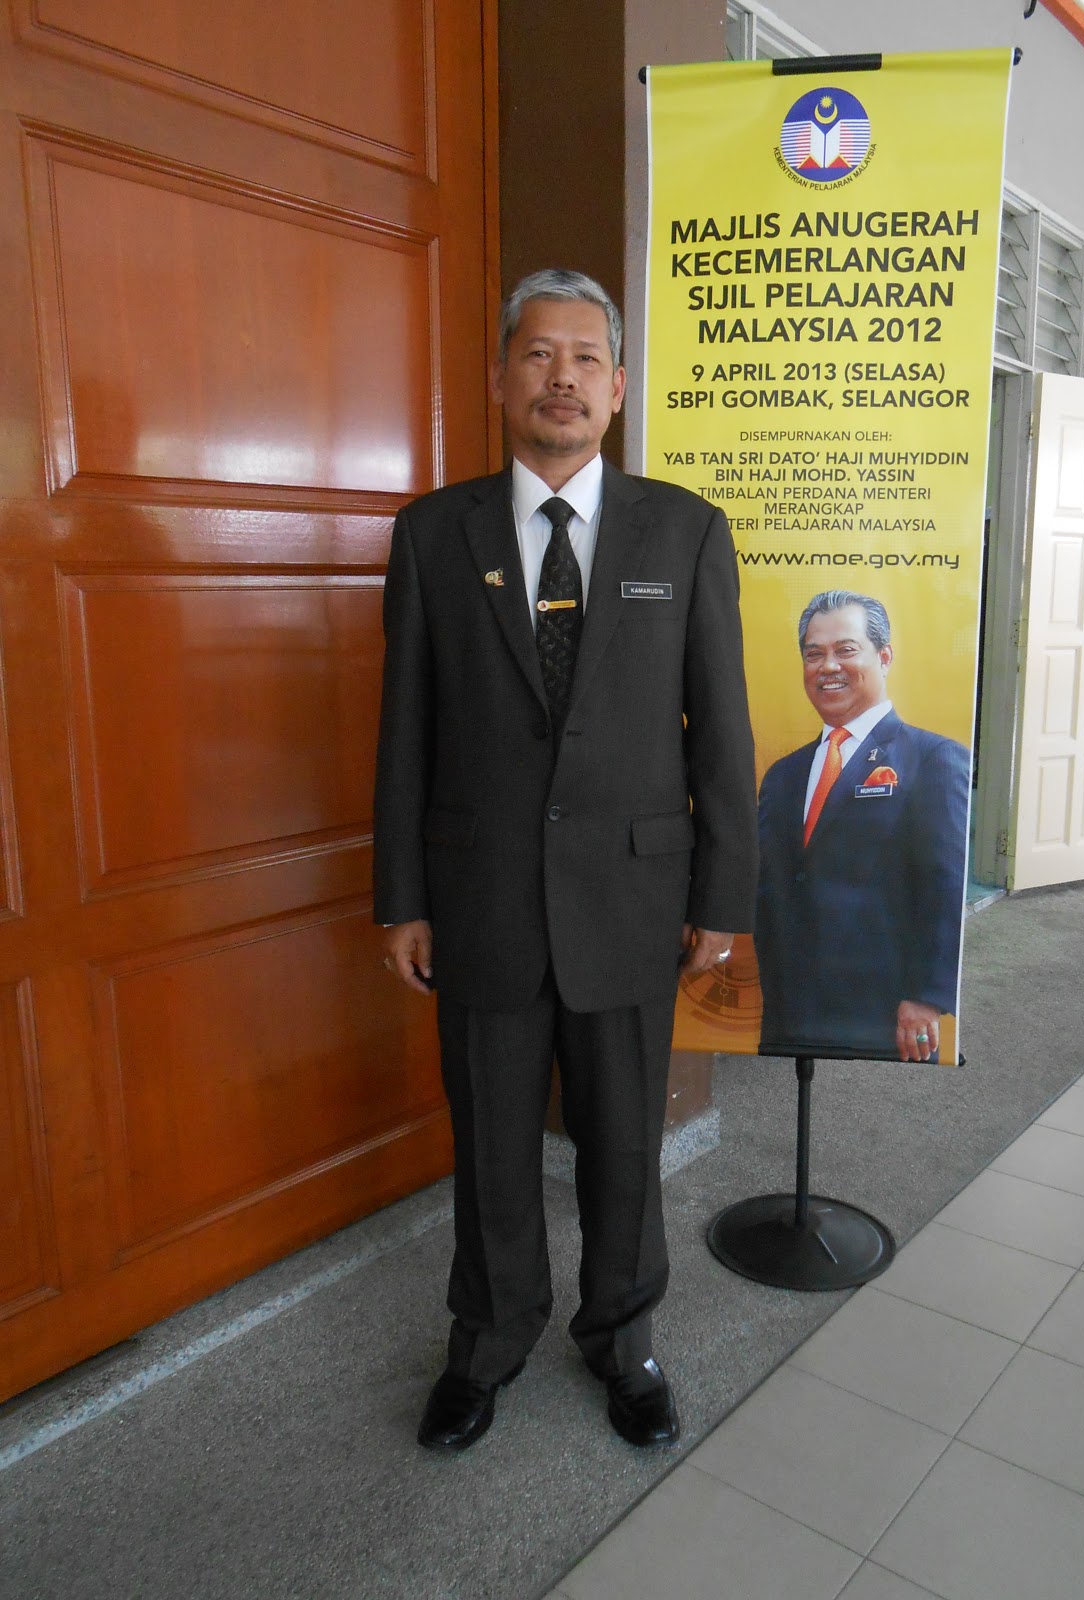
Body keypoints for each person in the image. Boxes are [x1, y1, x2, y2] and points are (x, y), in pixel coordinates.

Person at [374, 269, 757, 1452]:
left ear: (620, 387)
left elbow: (723, 727)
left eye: (587, 359)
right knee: (490, 1141)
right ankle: (486, 1344)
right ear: (499, 377)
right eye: (539, 356)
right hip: (481, 896)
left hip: (635, 898)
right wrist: (402, 897)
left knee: (625, 1141)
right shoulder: (434, 534)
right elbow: (407, 728)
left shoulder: (684, 530)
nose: (563, 379)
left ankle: (625, 1337)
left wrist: (723, 899)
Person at [754, 589, 969, 1063]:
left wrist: (927, 995)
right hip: (791, 1005)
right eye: (814, 654)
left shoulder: (933, 759)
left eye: (845, 650)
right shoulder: (783, 775)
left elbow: (944, 883)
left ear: (884, 656)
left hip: (887, 1011)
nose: (828, 666)